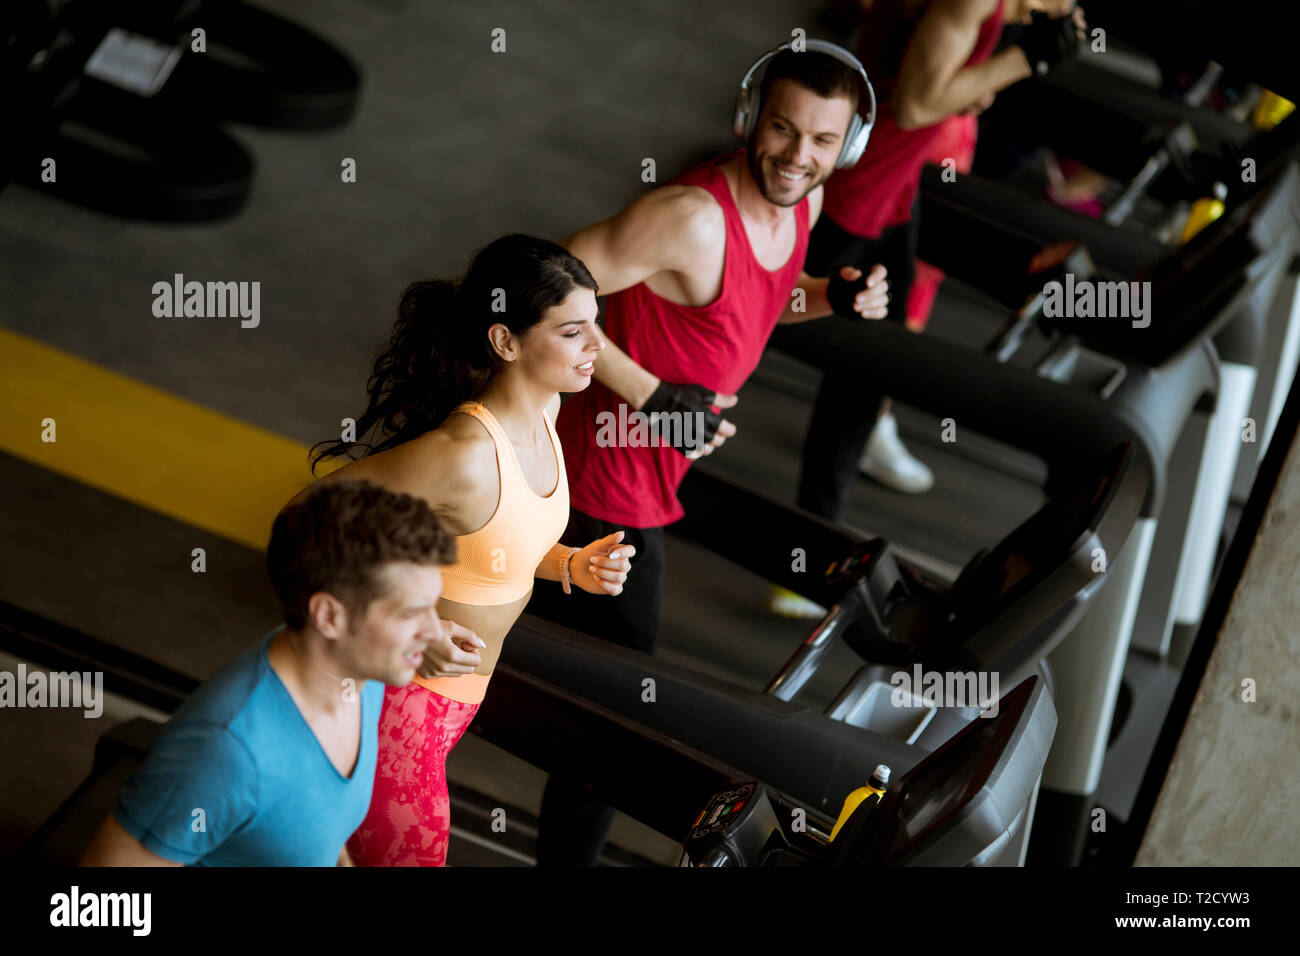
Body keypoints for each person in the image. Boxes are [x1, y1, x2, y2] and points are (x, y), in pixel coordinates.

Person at [526, 41, 891, 864]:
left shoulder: (803, 206)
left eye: (822, 142)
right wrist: (651, 394)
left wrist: (832, 295)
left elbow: (761, 296)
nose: (798, 156)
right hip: (595, 486)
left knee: (573, 696)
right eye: (782, 129)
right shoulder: (688, 217)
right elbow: (543, 284)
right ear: (748, 118)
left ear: (847, 148)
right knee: (615, 728)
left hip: (642, 484)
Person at [304, 234, 635, 867]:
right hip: (394, 717)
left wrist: (567, 563)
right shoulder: (466, 453)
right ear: (506, 341)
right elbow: (309, 520)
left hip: (446, 714)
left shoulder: (548, 412)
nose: (597, 347)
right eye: (571, 332)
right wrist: (411, 624)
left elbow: (488, 545)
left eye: (596, 325)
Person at [772, 0, 1086, 518]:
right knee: (751, 321)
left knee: (873, 366)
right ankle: (638, 417)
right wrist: (1023, 60)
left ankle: (813, 539)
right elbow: (917, 105)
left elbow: (924, 81)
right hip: (859, 188)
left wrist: (992, 72)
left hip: (892, 189)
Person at [79, 480, 457, 866]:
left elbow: (320, 828)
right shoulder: (227, 753)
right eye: (411, 614)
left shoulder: (362, 678)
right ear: (329, 617)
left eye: (432, 608)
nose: (434, 631)